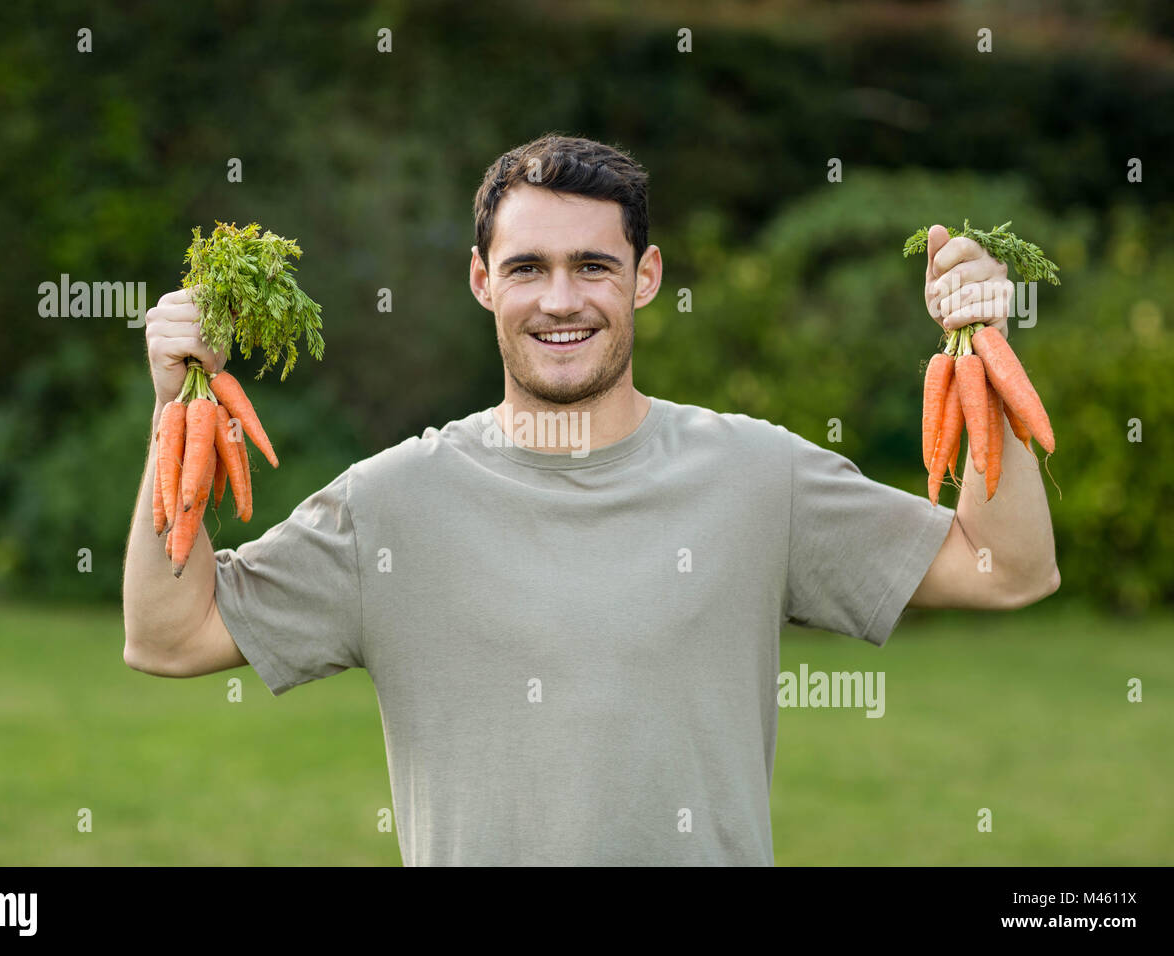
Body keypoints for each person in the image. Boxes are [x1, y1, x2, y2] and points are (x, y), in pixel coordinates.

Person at [122, 133, 1059, 865]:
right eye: (527, 267)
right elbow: (168, 636)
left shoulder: (755, 477)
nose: (560, 299)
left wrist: (981, 352)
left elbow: (1008, 569)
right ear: (483, 281)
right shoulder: (393, 506)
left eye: (594, 266)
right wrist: (177, 408)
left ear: (645, 279)